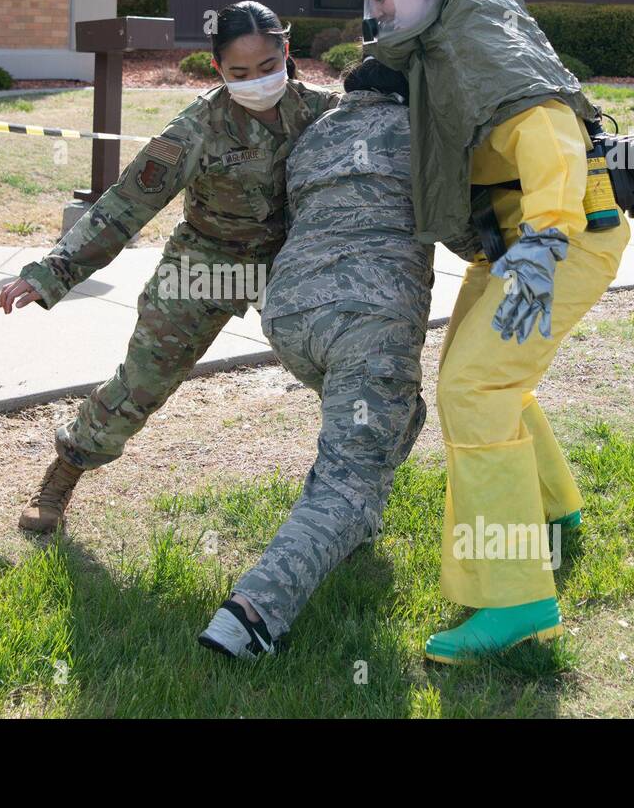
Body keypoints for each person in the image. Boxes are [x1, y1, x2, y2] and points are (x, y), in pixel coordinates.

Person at [360, 0, 631, 663]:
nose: (375, 4)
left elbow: (550, 130)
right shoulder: (451, 27)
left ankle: (516, 601)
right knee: (476, 375)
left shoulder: (474, 26)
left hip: (557, 242)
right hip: (519, 243)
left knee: (473, 390)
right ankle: (554, 507)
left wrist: (545, 243)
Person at [0, 1, 340, 534]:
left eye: (268, 66)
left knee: (344, 371)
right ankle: (60, 480)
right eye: (240, 73)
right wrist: (52, 271)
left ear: (286, 52)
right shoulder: (195, 129)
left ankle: (350, 498)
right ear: (219, 70)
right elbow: (123, 206)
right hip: (206, 265)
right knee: (143, 382)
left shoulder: (322, 111)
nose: (257, 81)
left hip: (288, 266)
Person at [198, 58, 477, 659]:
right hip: (367, 325)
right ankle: (251, 615)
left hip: (292, 317)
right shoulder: (422, 134)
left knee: (397, 416)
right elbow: (465, 234)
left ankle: (351, 528)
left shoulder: (316, 133)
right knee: (349, 478)